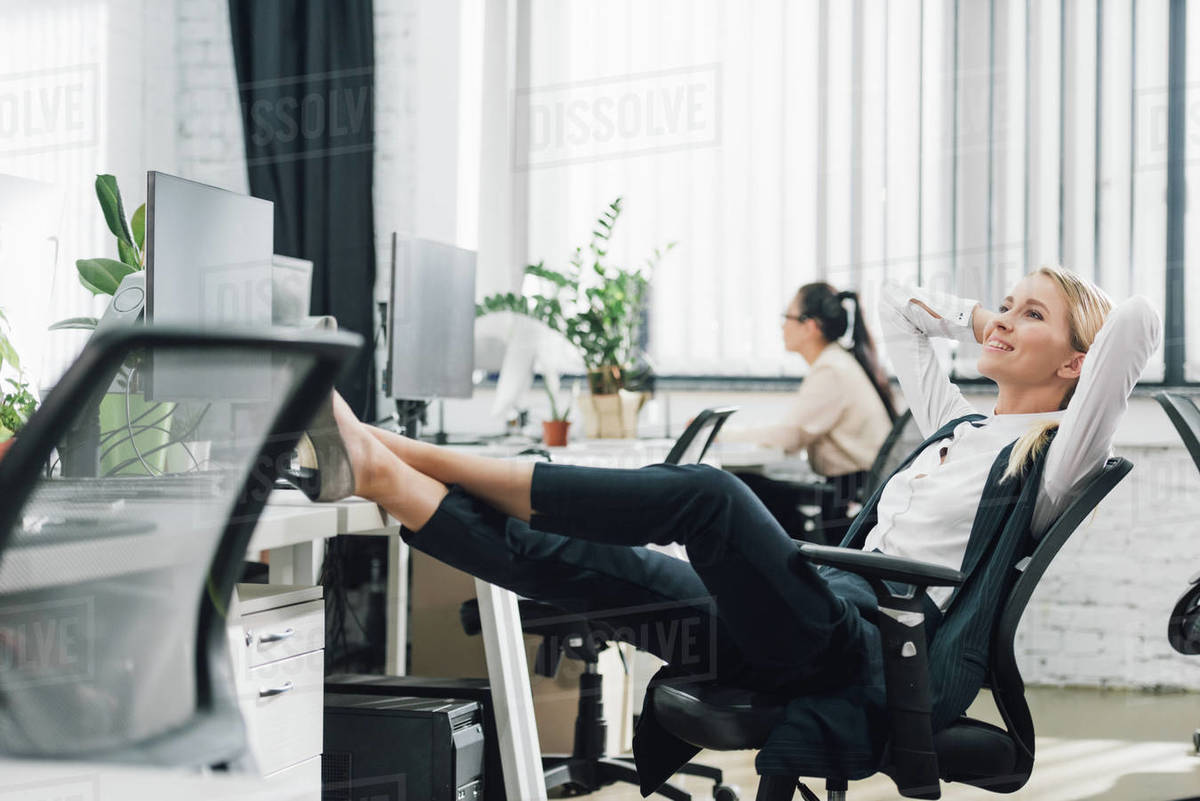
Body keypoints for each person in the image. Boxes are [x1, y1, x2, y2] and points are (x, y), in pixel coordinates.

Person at [299, 265, 1160, 790]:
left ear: (1078, 363)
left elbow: (1139, 322)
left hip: (872, 645)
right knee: (596, 569)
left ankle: (401, 448)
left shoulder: (1052, 458)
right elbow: (896, 307)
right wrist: (999, 317)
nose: (1004, 320)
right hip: (812, 618)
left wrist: (987, 319)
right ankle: (382, 474)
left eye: (1030, 316)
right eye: (1003, 306)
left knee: (708, 495)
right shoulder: (959, 424)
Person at [720, 282, 897, 541]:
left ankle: (787, 574)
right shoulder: (837, 361)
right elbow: (795, 431)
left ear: (810, 326)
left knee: (745, 487)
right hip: (857, 490)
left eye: (787, 317)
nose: (782, 326)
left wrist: (721, 434)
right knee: (760, 487)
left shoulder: (831, 370)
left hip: (849, 497)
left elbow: (791, 436)